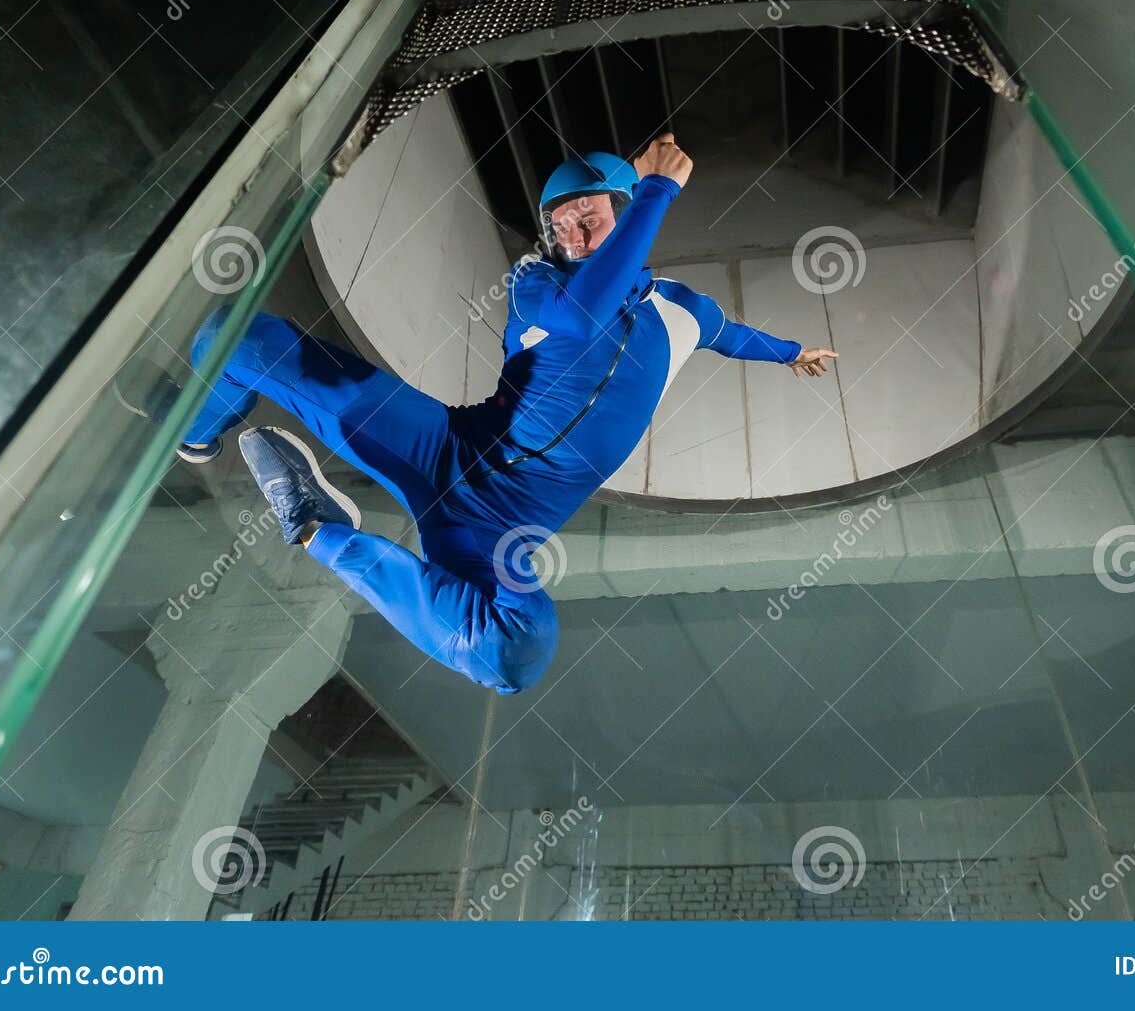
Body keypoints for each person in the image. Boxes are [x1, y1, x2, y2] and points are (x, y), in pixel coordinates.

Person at [160, 135, 836, 694]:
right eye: (558, 224)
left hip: (486, 531)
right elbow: (581, 318)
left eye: (588, 218)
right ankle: (196, 430)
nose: (568, 233)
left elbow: (732, 336)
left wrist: (790, 352)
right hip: (445, 447)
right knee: (232, 336)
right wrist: (658, 190)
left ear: (627, 216)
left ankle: (316, 528)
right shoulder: (538, 283)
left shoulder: (688, 309)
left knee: (511, 658)